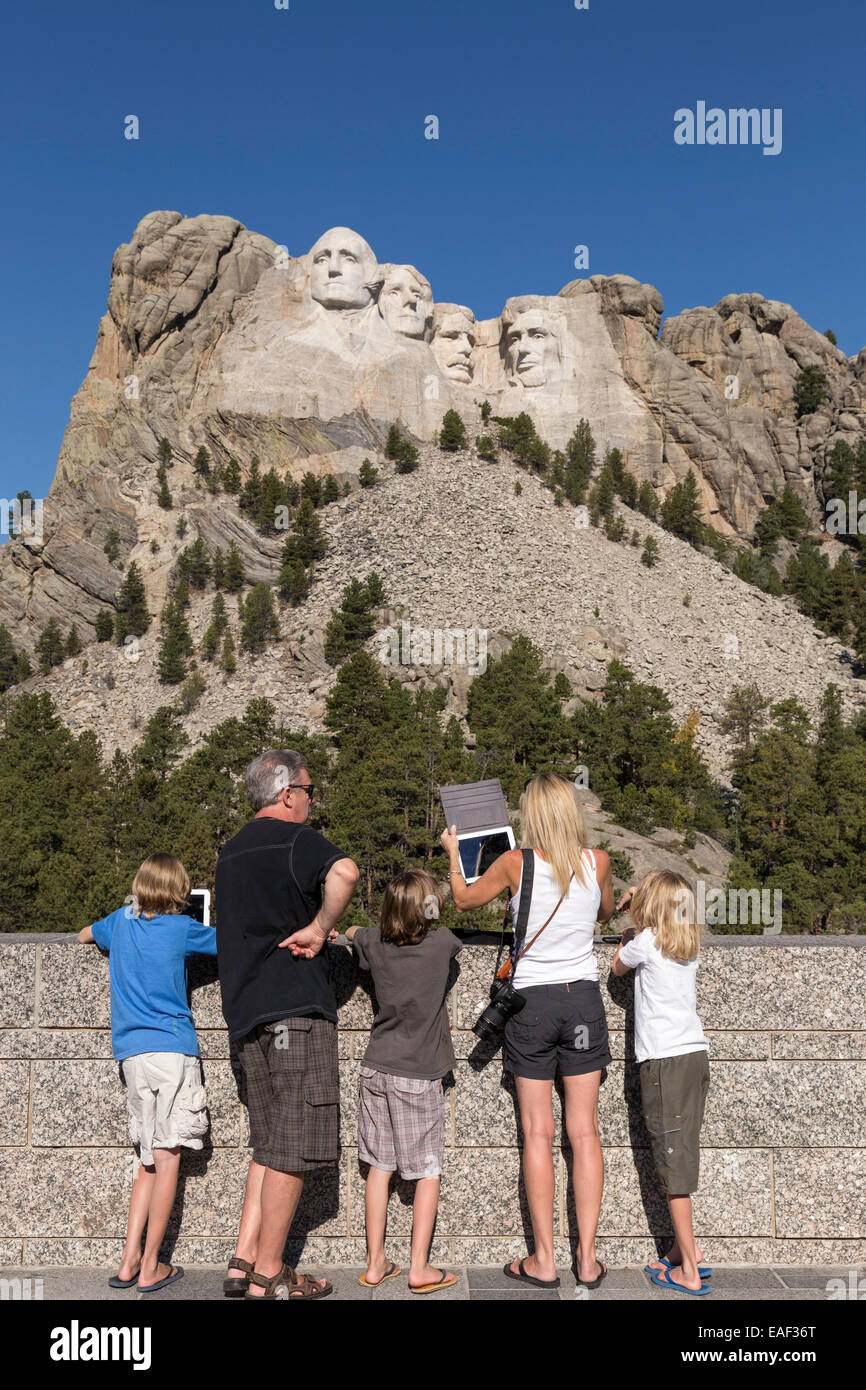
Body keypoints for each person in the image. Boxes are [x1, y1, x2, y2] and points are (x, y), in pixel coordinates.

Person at [442, 771, 615, 1289]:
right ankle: (587, 1257)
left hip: (531, 1006)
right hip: (582, 1002)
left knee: (537, 1133)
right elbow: (604, 914)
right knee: (584, 1132)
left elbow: (463, 901)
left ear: (532, 815)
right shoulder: (599, 861)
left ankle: (543, 1259)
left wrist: (453, 851)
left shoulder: (516, 864)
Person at [216, 750, 359, 1301]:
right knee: (296, 1146)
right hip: (295, 1010)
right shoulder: (298, 839)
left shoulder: (228, 854)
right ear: (286, 794)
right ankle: (271, 1273)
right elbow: (345, 872)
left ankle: (242, 1260)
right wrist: (322, 928)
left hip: (246, 1014)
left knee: (270, 1142)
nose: (312, 798)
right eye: (309, 788)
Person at [77, 852, 217, 1292]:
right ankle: (153, 1264)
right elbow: (233, 944)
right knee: (169, 1156)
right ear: (178, 891)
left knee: (146, 1162)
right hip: (172, 1051)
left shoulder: (119, 921)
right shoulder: (181, 928)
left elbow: (84, 935)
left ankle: (128, 1259)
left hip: (131, 1055)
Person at [345, 869, 461, 1294]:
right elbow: (444, 920)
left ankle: (376, 1263)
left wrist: (367, 926)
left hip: (376, 1067)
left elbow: (354, 931)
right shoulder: (441, 943)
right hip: (419, 1074)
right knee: (426, 1171)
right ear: (428, 909)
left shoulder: (374, 943)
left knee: (379, 1168)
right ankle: (419, 1267)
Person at [611, 871, 712, 1295]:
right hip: (694, 1055)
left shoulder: (645, 941)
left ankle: (689, 1267)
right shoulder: (686, 945)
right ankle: (678, 1249)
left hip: (663, 1061)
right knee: (681, 1150)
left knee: (673, 1168)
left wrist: (630, 911)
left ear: (650, 907)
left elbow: (616, 968)